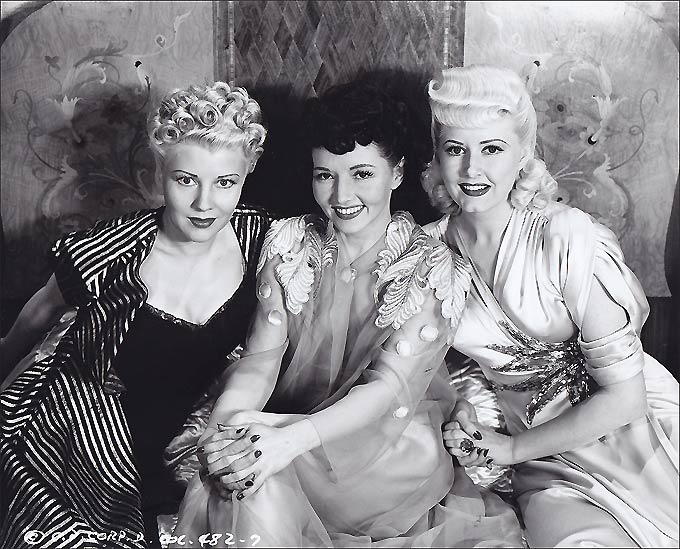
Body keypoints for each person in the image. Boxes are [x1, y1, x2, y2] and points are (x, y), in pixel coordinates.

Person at [169, 79, 524, 548]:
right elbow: (260, 360)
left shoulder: (433, 267)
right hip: (290, 420)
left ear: (397, 173)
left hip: (386, 445)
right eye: (325, 175)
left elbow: (384, 390)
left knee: (260, 471)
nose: (341, 195)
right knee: (242, 471)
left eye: (361, 173)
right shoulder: (290, 243)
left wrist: (286, 440)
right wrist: (227, 425)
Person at [0, 82, 274, 548]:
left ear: (246, 175)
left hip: (174, 437)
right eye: (186, 180)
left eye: (225, 183)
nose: (205, 204)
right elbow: (36, 315)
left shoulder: (260, 238)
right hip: (72, 436)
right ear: (159, 171)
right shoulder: (109, 251)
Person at [422, 64, 679, 547]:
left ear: (523, 154)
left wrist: (510, 449)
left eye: (492, 149)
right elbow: (438, 367)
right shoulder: (428, 253)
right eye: (455, 149)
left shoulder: (565, 238)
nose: (472, 170)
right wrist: (464, 413)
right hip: (545, 465)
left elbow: (627, 398)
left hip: (637, 433)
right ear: (437, 155)